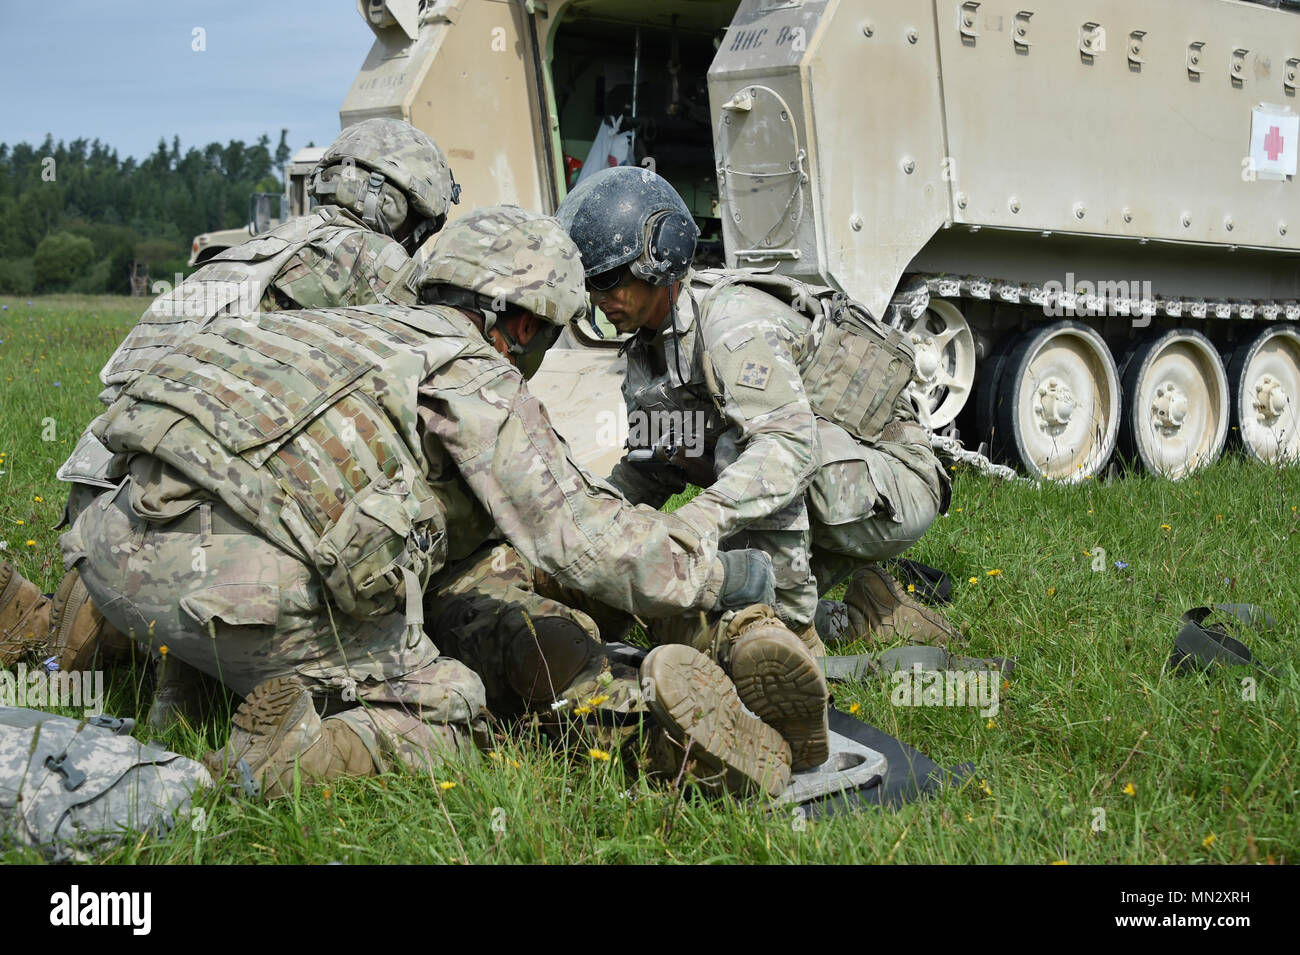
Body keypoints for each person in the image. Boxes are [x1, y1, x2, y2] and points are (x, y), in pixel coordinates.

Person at [60, 206, 793, 798]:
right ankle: (279, 759)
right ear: (526, 321)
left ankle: (183, 695)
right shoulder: (469, 370)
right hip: (231, 594)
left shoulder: (329, 326)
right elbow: (586, 542)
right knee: (453, 703)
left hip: (106, 549)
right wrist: (721, 575)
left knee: (256, 533)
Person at [1, 118, 460, 708]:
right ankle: (176, 697)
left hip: (101, 485)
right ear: (398, 206)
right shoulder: (373, 263)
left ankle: (51, 643)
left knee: (86, 655)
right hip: (183, 502)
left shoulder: (254, 248)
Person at [554, 166, 959, 659]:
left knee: (741, 453)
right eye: (590, 284)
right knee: (688, 617)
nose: (600, 298)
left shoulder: (729, 323)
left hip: (891, 480)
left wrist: (699, 520)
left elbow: (787, 447)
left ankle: (791, 631)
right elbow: (648, 465)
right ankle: (870, 614)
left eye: (609, 278)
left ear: (660, 257)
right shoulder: (646, 354)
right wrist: (582, 532)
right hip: (816, 489)